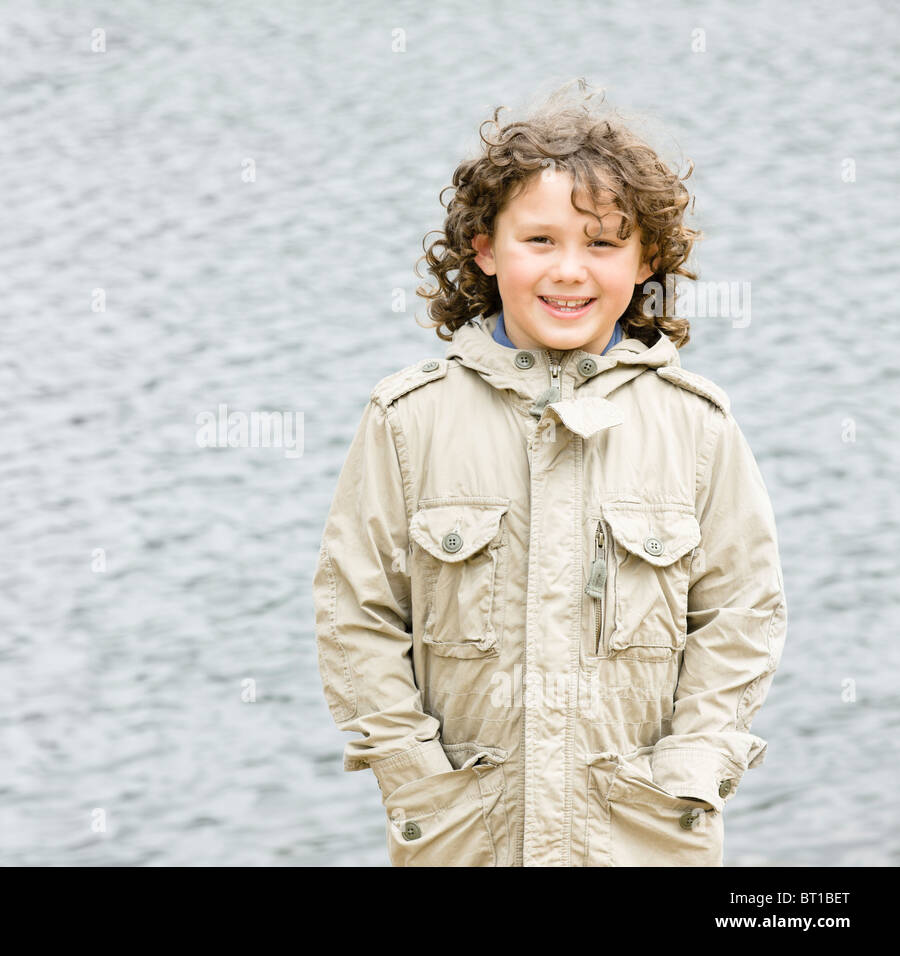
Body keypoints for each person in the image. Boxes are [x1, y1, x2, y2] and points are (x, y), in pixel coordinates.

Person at [311, 82, 787, 866]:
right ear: (485, 249)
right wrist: (416, 781)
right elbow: (355, 614)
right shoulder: (408, 419)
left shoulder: (697, 424)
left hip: (643, 836)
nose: (570, 270)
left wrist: (693, 770)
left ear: (646, 262)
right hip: (466, 836)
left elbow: (742, 616)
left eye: (603, 244)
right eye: (540, 241)